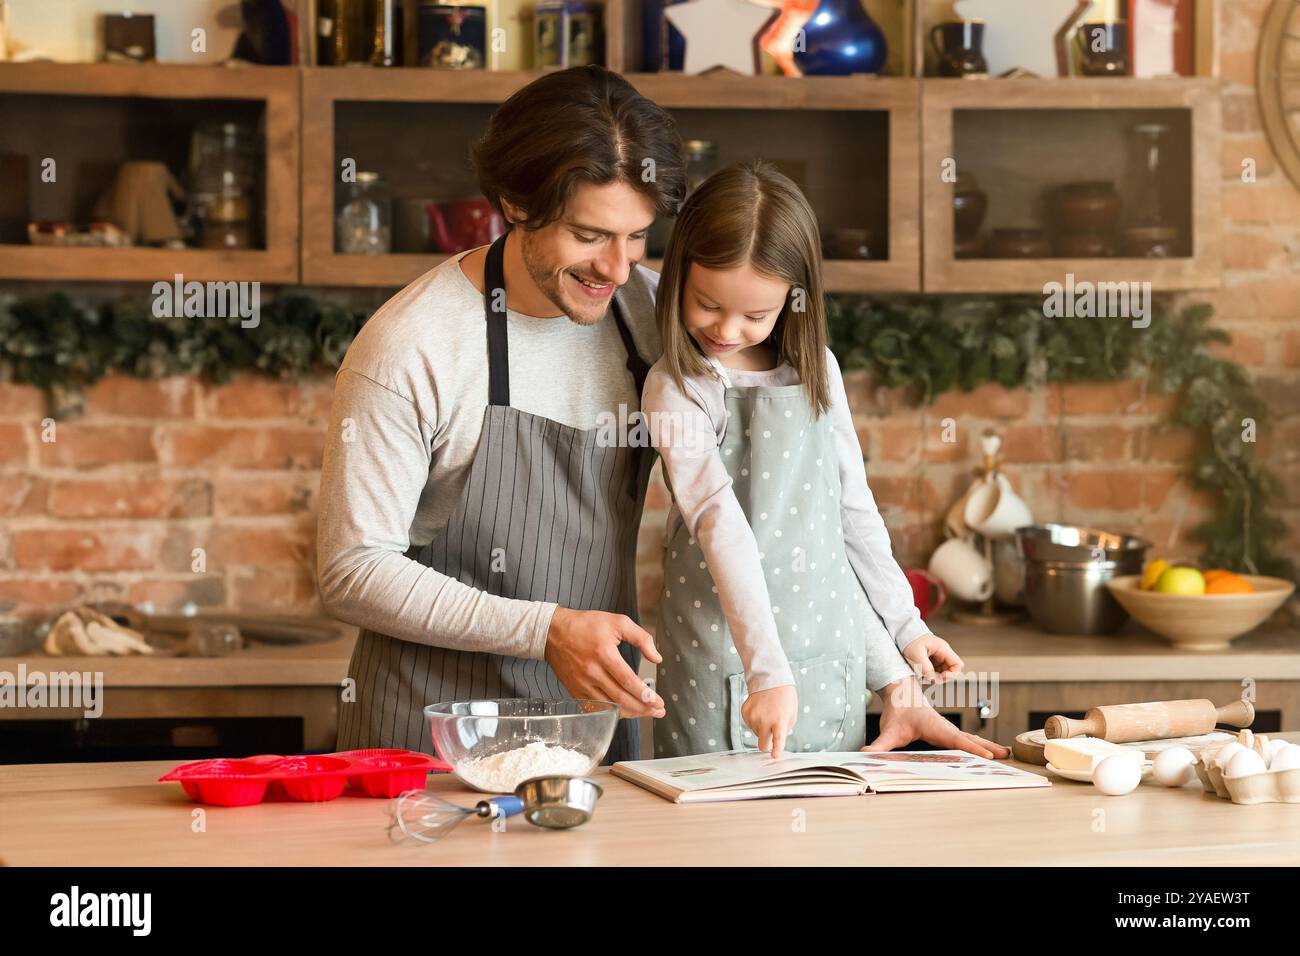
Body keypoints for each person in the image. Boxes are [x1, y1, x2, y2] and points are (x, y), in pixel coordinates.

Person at [317, 66, 686, 761]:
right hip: (427, 741)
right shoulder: (414, 343)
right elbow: (352, 568)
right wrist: (547, 629)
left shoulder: (649, 315)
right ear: (515, 202)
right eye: (589, 234)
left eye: (636, 236)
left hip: (590, 732)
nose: (617, 266)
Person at [642, 160, 1006, 761]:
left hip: (828, 654)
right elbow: (718, 524)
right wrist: (765, 672)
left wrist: (905, 627)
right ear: (678, 272)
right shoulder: (678, 387)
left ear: (794, 299)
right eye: (707, 303)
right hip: (726, 656)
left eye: (756, 316)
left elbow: (850, 516)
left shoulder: (818, 370)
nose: (728, 329)